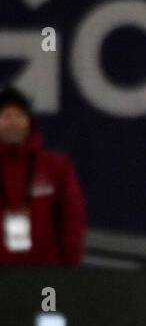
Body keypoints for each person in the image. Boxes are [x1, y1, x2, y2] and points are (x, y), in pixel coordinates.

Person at [0, 87, 86, 267]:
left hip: (44, 276)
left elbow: (72, 220)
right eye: (6, 116)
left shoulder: (55, 167)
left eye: (19, 116)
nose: (13, 122)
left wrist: (70, 269)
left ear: (29, 122)